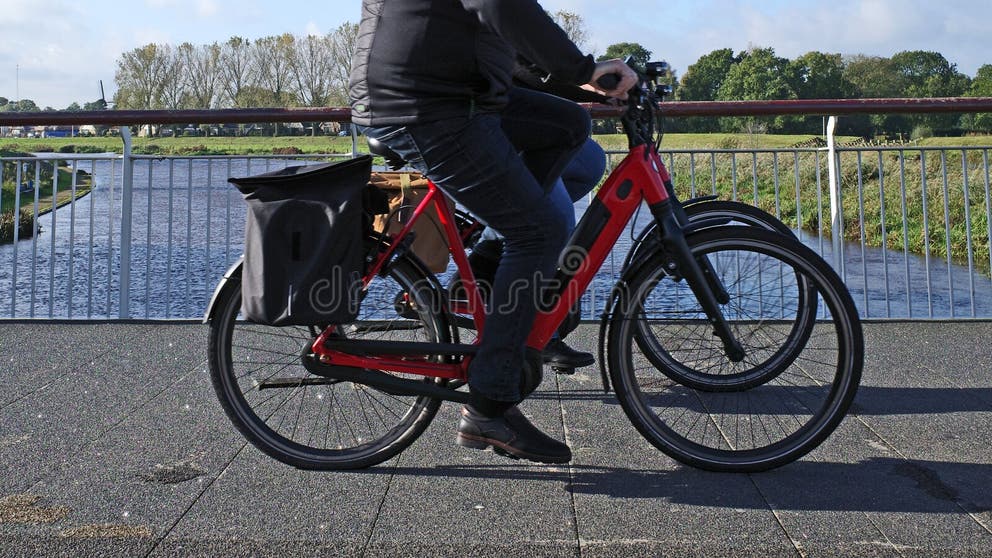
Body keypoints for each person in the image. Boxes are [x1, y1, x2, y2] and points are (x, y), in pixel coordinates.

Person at [350, 0, 637, 464]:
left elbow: (500, 30)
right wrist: (582, 68)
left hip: (451, 95)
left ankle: (489, 277)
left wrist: (578, 78)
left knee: (570, 124)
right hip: (423, 107)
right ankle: (488, 407)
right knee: (540, 231)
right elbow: (500, 5)